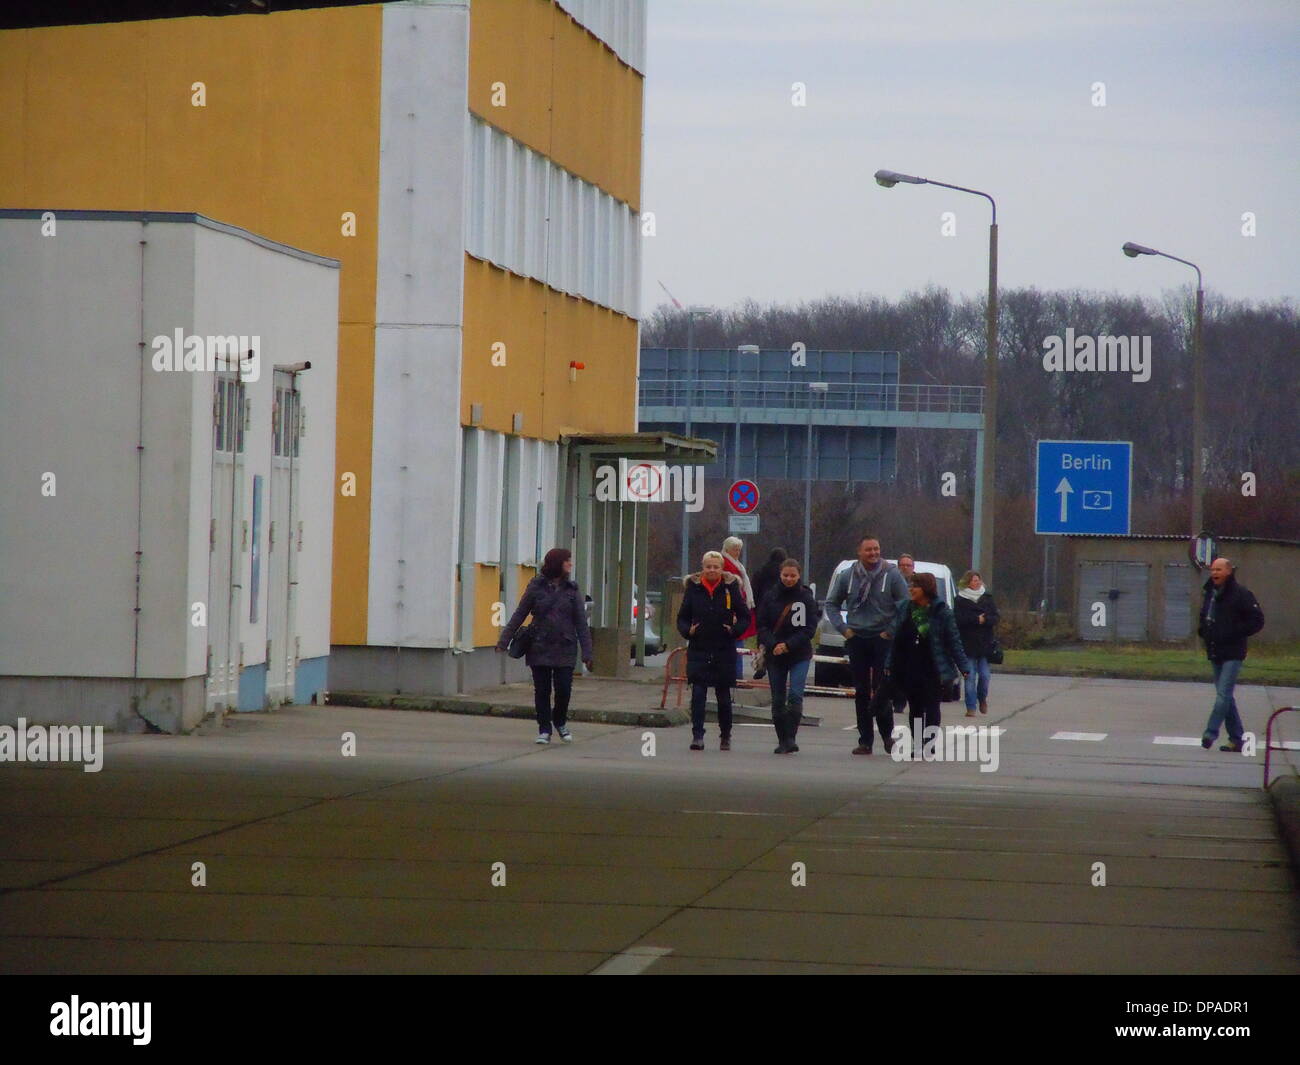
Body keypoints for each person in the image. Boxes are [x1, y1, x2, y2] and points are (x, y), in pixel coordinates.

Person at [496, 548, 594, 744]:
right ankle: (544, 729)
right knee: (542, 690)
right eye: (567, 561)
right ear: (558, 563)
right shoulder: (536, 586)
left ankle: (560, 721)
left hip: (565, 647)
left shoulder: (572, 590)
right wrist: (504, 640)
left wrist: (587, 652)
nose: (570, 564)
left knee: (564, 689)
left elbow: (581, 623)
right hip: (539, 645)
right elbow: (519, 614)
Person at [825, 536, 909, 755]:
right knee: (861, 690)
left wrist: (890, 631)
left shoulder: (892, 575)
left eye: (877, 549)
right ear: (859, 552)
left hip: (882, 639)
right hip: (857, 638)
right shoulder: (847, 576)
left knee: (882, 689)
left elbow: (905, 606)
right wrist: (843, 629)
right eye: (869, 550)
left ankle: (887, 736)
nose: (873, 553)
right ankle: (865, 740)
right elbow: (832, 604)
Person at [884, 572, 970, 758]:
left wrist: (964, 667)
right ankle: (916, 744)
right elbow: (896, 639)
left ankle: (929, 742)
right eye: (910, 586)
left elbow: (953, 641)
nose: (911, 589)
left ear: (926, 588)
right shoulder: (905, 608)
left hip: (933, 667)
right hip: (909, 665)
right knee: (915, 707)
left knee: (932, 706)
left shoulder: (942, 611)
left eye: (915, 586)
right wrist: (890, 663)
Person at [678, 551, 751, 751]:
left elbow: (745, 616)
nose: (712, 570)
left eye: (716, 567)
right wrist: (688, 631)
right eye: (708, 566)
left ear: (722, 569)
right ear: (703, 567)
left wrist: (735, 631)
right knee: (699, 694)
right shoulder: (693, 588)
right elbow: (682, 618)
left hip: (723, 648)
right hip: (699, 648)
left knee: (723, 696)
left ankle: (725, 735)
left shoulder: (730, 588)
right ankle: (697, 735)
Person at [1197, 557, 1265, 752]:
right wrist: (1203, 630)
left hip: (1233, 652)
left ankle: (1210, 733)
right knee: (1226, 697)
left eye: (1218, 569)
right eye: (1212, 570)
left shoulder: (1241, 594)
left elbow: (1257, 620)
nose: (1214, 573)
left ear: (1228, 571)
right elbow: (1204, 616)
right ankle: (1237, 738)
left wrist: (1235, 631)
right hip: (1215, 650)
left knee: (1223, 695)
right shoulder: (1210, 593)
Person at [756, 558, 821, 754]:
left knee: (795, 695)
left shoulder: (806, 597)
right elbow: (762, 625)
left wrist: (788, 645)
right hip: (776, 655)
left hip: (798, 654)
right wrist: (774, 644)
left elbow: (810, 628)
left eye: (793, 576)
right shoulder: (770, 596)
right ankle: (782, 739)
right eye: (786, 575)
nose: (789, 579)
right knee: (777, 698)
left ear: (799, 576)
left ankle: (791, 737)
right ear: (780, 574)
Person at [954, 570, 999, 718]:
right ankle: (971, 707)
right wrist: (975, 619)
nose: (976, 583)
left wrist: (985, 620)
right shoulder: (960, 599)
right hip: (968, 644)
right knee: (970, 677)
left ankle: (982, 698)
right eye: (973, 580)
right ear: (968, 583)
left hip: (985, 644)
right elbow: (958, 620)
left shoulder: (987, 598)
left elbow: (995, 617)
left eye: (978, 580)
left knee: (985, 676)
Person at [721, 536, 758, 680]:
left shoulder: (734, 563)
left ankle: (736, 675)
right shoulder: (726, 564)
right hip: (732, 607)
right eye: (735, 549)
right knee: (737, 642)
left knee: (737, 642)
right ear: (727, 549)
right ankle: (736, 676)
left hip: (738, 605)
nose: (737, 552)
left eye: (739, 550)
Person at [892, 554, 917, 714]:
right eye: (902, 565)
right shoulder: (892, 582)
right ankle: (896, 700)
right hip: (894, 629)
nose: (905, 568)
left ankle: (905, 698)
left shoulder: (919, 583)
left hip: (912, 630)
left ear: (913, 567)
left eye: (908, 565)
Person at [752, 547, 788, 612]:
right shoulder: (786, 574)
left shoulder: (761, 571)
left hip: (762, 606)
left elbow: (754, 591)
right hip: (781, 607)